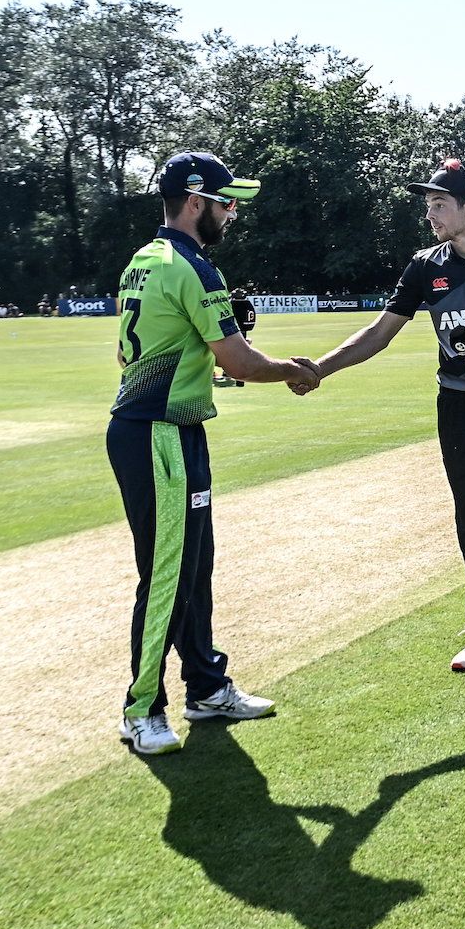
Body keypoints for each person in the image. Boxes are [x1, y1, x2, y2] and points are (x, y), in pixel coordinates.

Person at [298, 158, 465, 695]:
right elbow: (380, 333)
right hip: (456, 410)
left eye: (439, 205)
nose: (431, 216)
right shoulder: (425, 267)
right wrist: (319, 369)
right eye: (428, 207)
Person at [107, 151, 320, 755]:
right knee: (168, 572)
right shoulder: (193, 267)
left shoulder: (143, 261)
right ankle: (141, 707)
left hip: (166, 428)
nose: (233, 214)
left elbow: (135, 356)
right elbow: (239, 361)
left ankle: (205, 686)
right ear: (196, 202)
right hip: (157, 435)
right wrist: (293, 371)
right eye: (228, 203)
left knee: (194, 563)